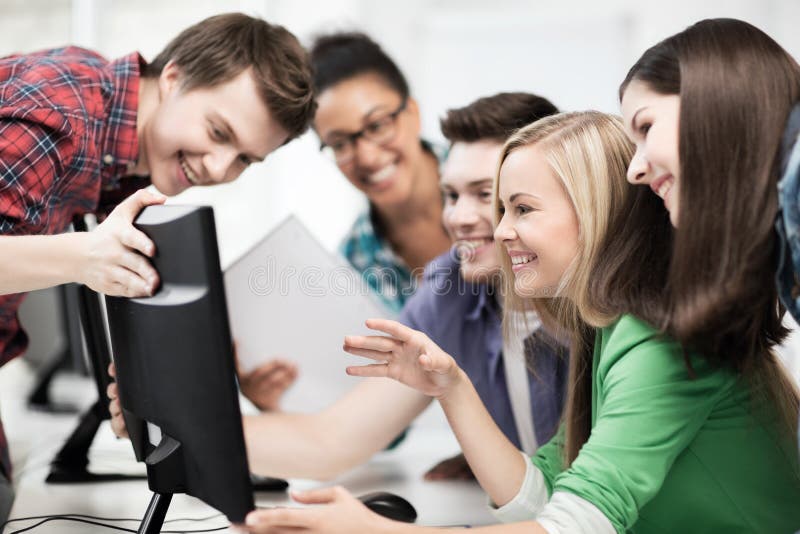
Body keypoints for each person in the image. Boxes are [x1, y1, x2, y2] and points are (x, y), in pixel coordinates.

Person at [242, 108, 800, 532]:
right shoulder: (608, 329)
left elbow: (571, 526)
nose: (497, 230)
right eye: (500, 209)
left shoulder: (658, 340)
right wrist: (452, 386)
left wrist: (375, 530)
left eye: (521, 209)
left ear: (595, 214)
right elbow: (543, 498)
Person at [109, 92, 567, 482]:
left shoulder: (601, 307)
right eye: (450, 195)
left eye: (485, 194)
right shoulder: (453, 285)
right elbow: (330, 441)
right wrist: (168, 421)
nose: (458, 217)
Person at [0, 12, 315, 520]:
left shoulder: (121, 154)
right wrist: (83, 258)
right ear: (173, 78)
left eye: (243, 160)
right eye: (218, 131)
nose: (217, 168)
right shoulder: (59, 114)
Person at [311, 32, 452, 313]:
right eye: (340, 144)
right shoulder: (350, 266)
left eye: (377, 126)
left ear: (413, 112)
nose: (367, 157)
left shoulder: (503, 184)